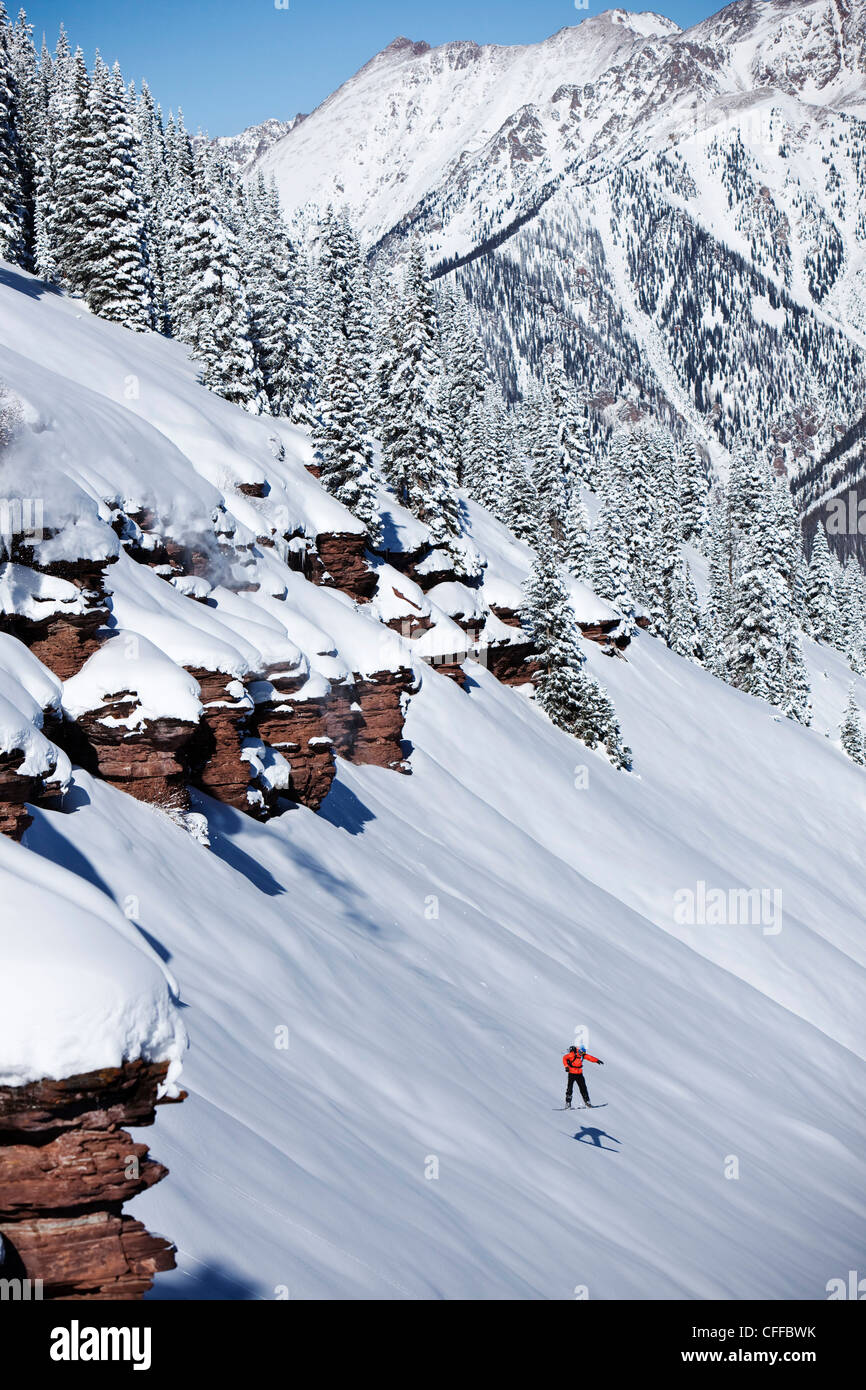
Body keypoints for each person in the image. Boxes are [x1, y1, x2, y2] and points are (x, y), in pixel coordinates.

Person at [562, 1044, 603, 1108]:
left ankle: (587, 1102)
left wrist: (597, 1060)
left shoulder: (582, 1055)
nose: (582, 1054)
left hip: (579, 1074)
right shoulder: (572, 1054)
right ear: (579, 1050)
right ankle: (568, 1103)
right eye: (581, 1052)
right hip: (572, 1073)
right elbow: (564, 1058)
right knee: (570, 1088)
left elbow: (589, 1057)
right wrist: (566, 1066)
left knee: (583, 1088)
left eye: (583, 1053)